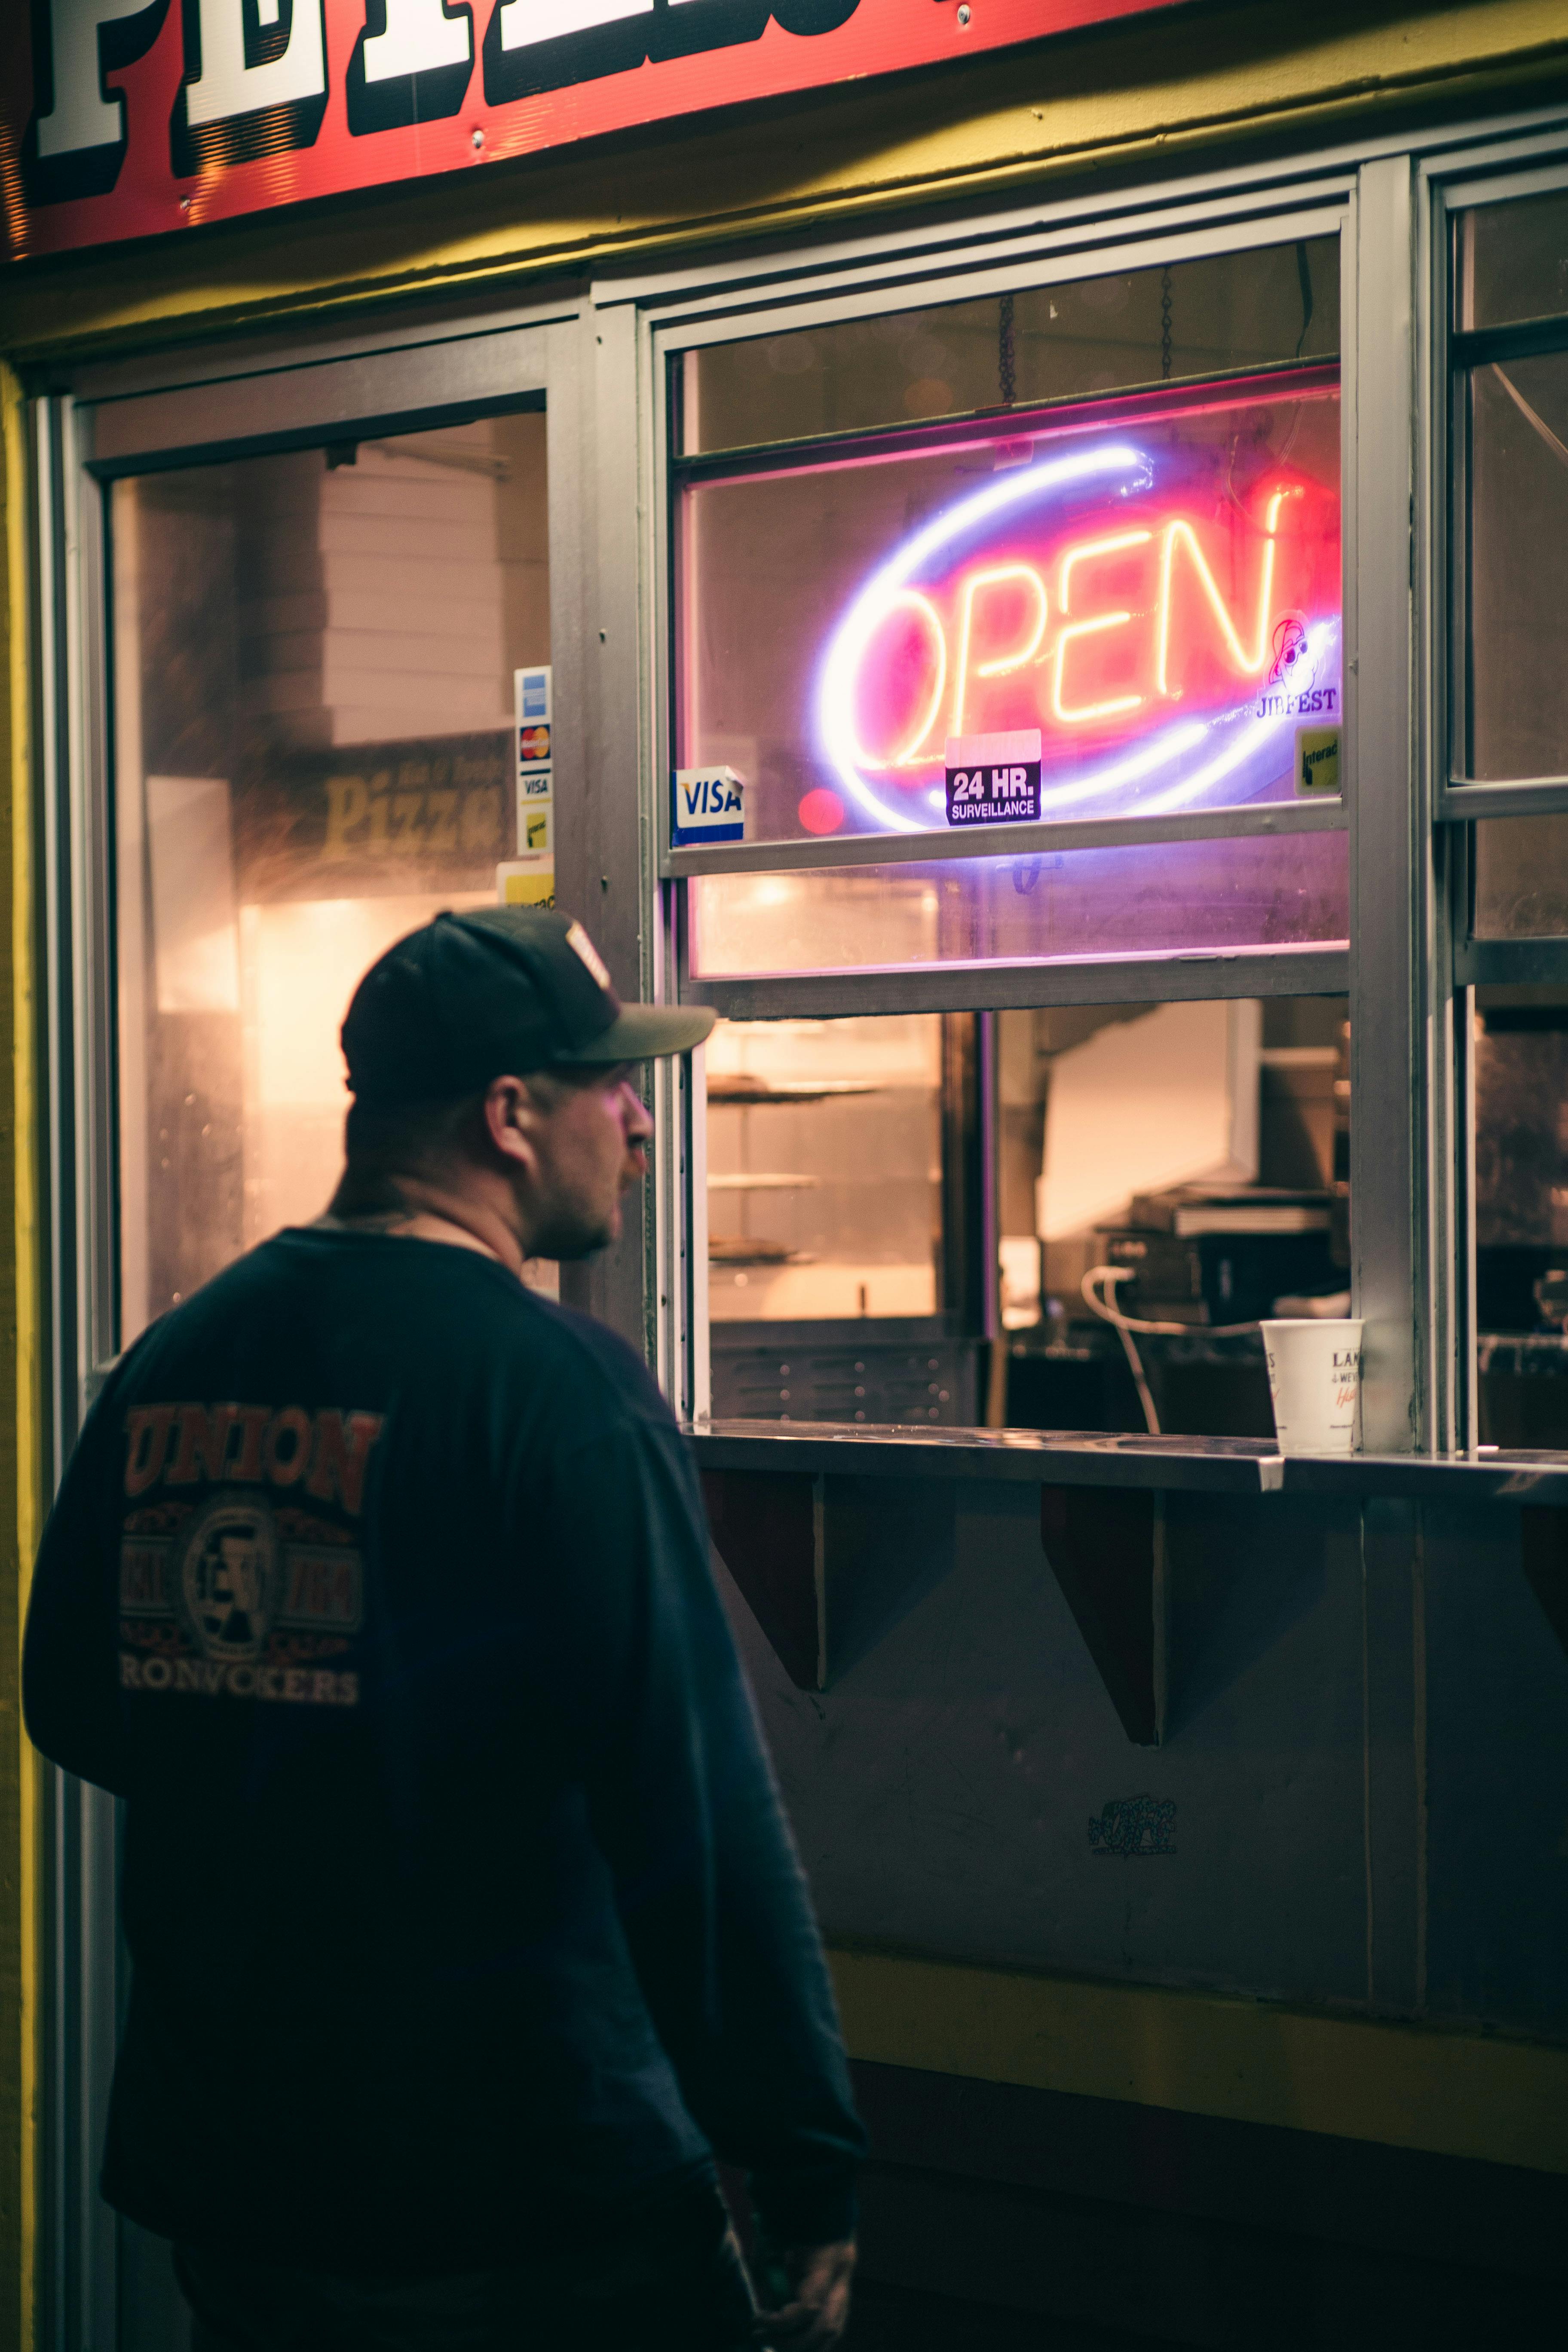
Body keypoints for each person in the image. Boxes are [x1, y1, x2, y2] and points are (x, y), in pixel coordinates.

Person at [23, 906, 865, 2352]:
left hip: (241, 2174)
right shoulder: (556, 1396)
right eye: (613, 1087)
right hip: (524, 2175)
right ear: (509, 1117)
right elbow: (695, 1815)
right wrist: (800, 2150)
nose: (641, 1127)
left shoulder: (178, 1357)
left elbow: (73, 1705)